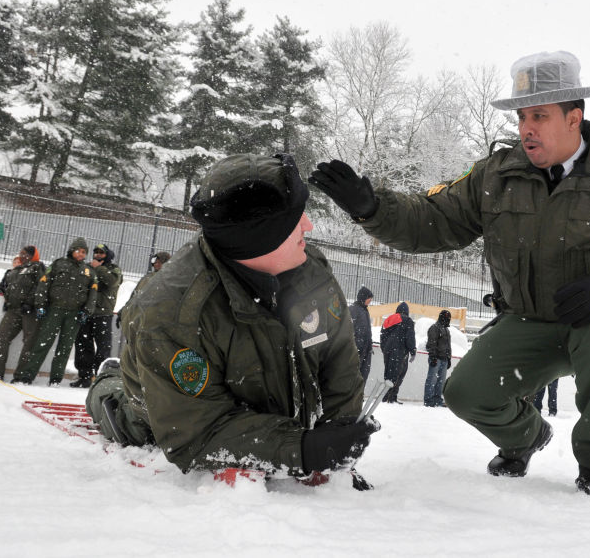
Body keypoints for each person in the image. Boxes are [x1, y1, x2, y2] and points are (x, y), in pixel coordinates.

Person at [310, 50, 590, 497]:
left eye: (540, 116)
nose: (527, 128)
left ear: (574, 117)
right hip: (529, 320)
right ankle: (525, 437)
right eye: (522, 116)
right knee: (464, 392)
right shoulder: (496, 175)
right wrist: (372, 208)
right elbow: (432, 219)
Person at [85, 153, 378, 483]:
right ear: (257, 238)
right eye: (295, 219)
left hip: (262, 406)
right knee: (128, 413)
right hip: (162, 406)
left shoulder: (310, 268)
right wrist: (301, 449)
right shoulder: (169, 313)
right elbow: (195, 431)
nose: (308, 226)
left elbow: (338, 356)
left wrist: (338, 430)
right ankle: (107, 383)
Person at [11, 237, 97, 385]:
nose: (81, 254)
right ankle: (27, 376)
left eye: (84, 252)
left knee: (64, 348)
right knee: (42, 344)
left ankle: (56, 379)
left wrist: (87, 311)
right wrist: (40, 305)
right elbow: (44, 284)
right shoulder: (58, 264)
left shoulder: (89, 271)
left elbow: (93, 294)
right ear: (72, 250)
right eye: (78, 250)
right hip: (54, 310)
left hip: (74, 314)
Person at [0, 246, 45, 381]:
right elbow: (9, 286)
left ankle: (22, 376)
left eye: (25, 254)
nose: (22, 256)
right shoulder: (18, 269)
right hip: (13, 310)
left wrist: (30, 302)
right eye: (21, 253)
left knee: (29, 343)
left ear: (33, 255)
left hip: (30, 311)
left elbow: (41, 286)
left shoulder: (37, 267)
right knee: (0, 337)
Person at [72, 244, 123, 387]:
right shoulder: (88, 268)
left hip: (103, 314)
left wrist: (98, 268)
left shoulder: (114, 269)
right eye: (96, 252)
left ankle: (100, 378)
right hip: (87, 312)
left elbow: (112, 282)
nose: (98, 255)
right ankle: (84, 377)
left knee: (103, 348)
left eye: (101, 252)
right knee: (83, 346)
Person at [380, 302, 416, 403]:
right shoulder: (408, 320)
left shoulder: (389, 319)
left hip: (388, 351)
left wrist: (385, 349)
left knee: (388, 373)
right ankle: (389, 397)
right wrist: (413, 350)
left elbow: (382, 336)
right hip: (400, 351)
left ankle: (387, 396)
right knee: (399, 374)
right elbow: (410, 337)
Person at [424, 309, 452, 407]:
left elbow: (448, 346)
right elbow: (431, 343)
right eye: (446, 317)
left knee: (441, 381)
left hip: (444, 359)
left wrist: (449, 358)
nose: (448, 319)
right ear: (441, 317)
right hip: (436, 358)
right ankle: (428, 400)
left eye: (449, 318)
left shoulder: (446, 330)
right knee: (432, 380)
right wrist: (433, 357)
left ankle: (437, 399)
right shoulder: (434, 328)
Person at [349, 286, 374, 382]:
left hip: (365, 349)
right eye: (369, 298)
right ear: (363, 298)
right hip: (357, 349)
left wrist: (369, 345)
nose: (370, 301)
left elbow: (367, 331)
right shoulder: (353, 310)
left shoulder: (364, 310)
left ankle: (359, 395)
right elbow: (349, 329)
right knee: (354, 376)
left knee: (363, 375)